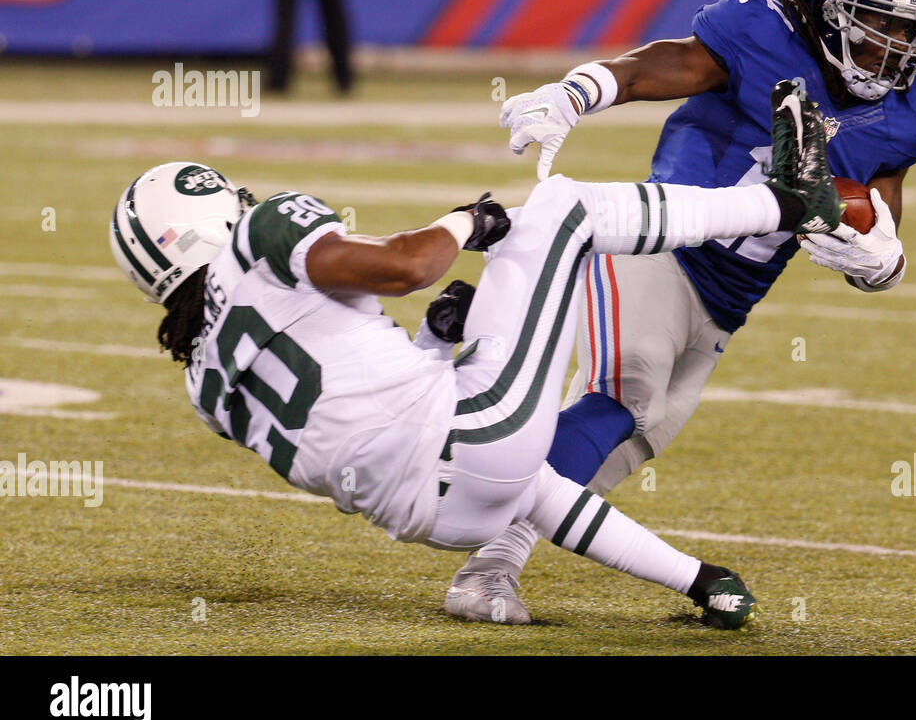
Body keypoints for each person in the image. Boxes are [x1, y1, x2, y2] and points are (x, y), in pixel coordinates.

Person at [442, 0, 916, 623]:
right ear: (830, 13)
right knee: (623, 396)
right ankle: (484, 564)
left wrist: (883, 260)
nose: (891, 53)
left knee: (631, 435)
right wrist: (581, 90)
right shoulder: (767, 32)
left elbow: (879, 204)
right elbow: (669, 64)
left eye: (906, 36)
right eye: (875, 30)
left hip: (731, 297)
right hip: (663, 239)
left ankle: (480, 429)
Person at [107, 82, 842, 629]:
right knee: (559, 212)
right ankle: (786, 202)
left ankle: (701, 582)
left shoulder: (204, 385)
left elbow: (365, 422)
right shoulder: (258, 236)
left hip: (438, 515)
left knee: (527, 479)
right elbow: (407, 265)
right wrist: (468, 220)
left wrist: (434, 339)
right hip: (477, 437)